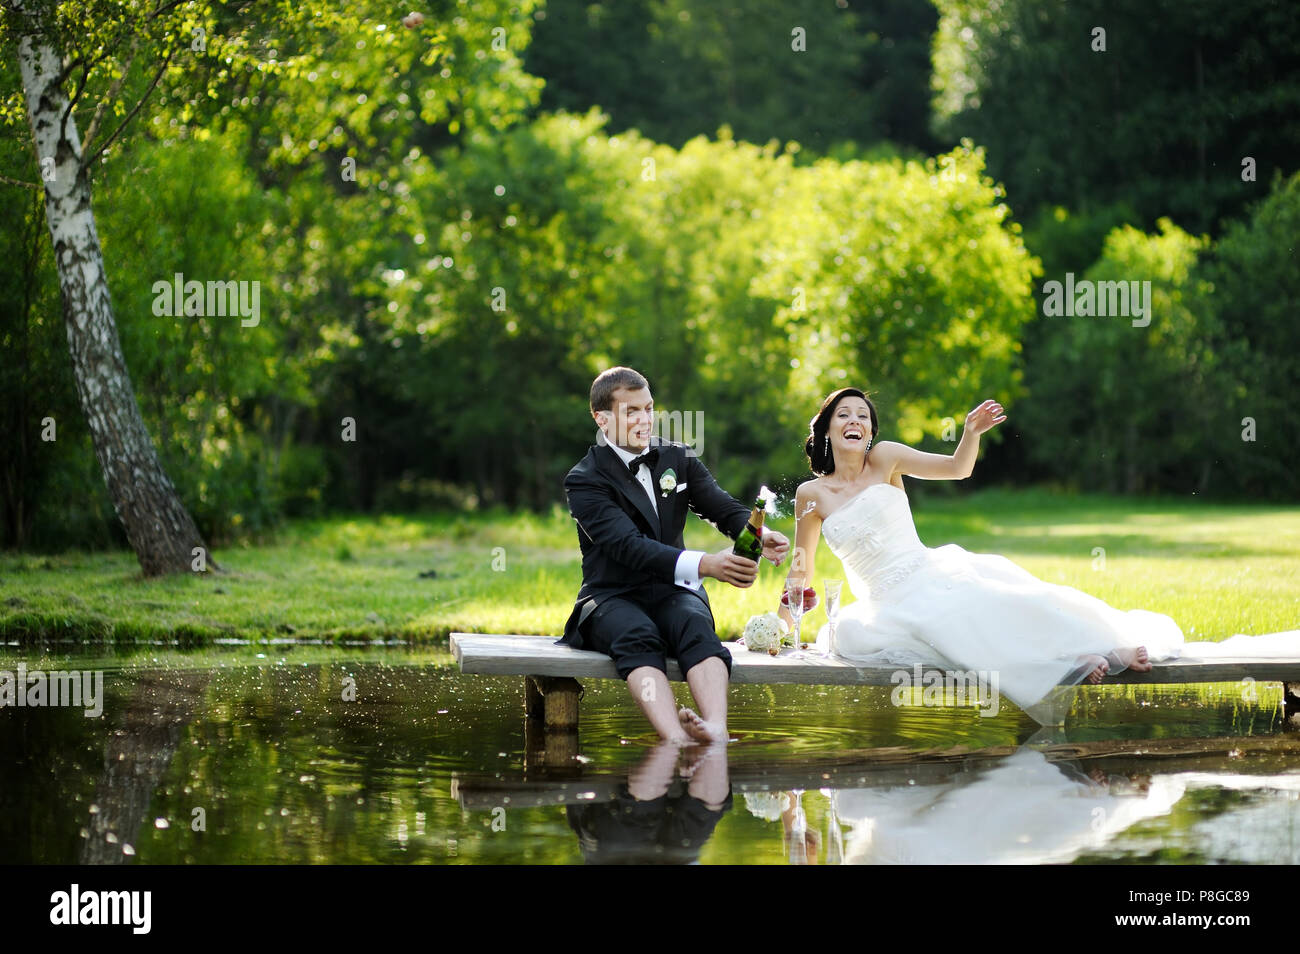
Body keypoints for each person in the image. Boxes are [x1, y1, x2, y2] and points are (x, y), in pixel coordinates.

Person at [777, 387, 1236, 724]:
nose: (855, 420)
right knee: (912, 626)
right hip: (884, 601)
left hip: (928, 571)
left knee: (992, 596)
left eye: (863, 415)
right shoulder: (810, 495)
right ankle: (1064, 661)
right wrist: (778, 625)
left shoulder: (887, 459)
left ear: (871, 430)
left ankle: (1091, 648)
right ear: (828, 429)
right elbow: (801, 570)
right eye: (844, 414)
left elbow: (958, 468)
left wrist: (970, 432)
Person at [561, 366, 790, 743]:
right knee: (636, 634)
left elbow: (721, 506)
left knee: (695, 625)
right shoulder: (585, 479)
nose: (644, 419)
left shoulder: (677, 457)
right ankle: (674, 737)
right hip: (612, 595)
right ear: (602, 419)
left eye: (649, 408)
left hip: (673, 590)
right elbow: (626, 546)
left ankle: (716, 728)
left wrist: (757, 534)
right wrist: (706, 565)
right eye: (631, 411)